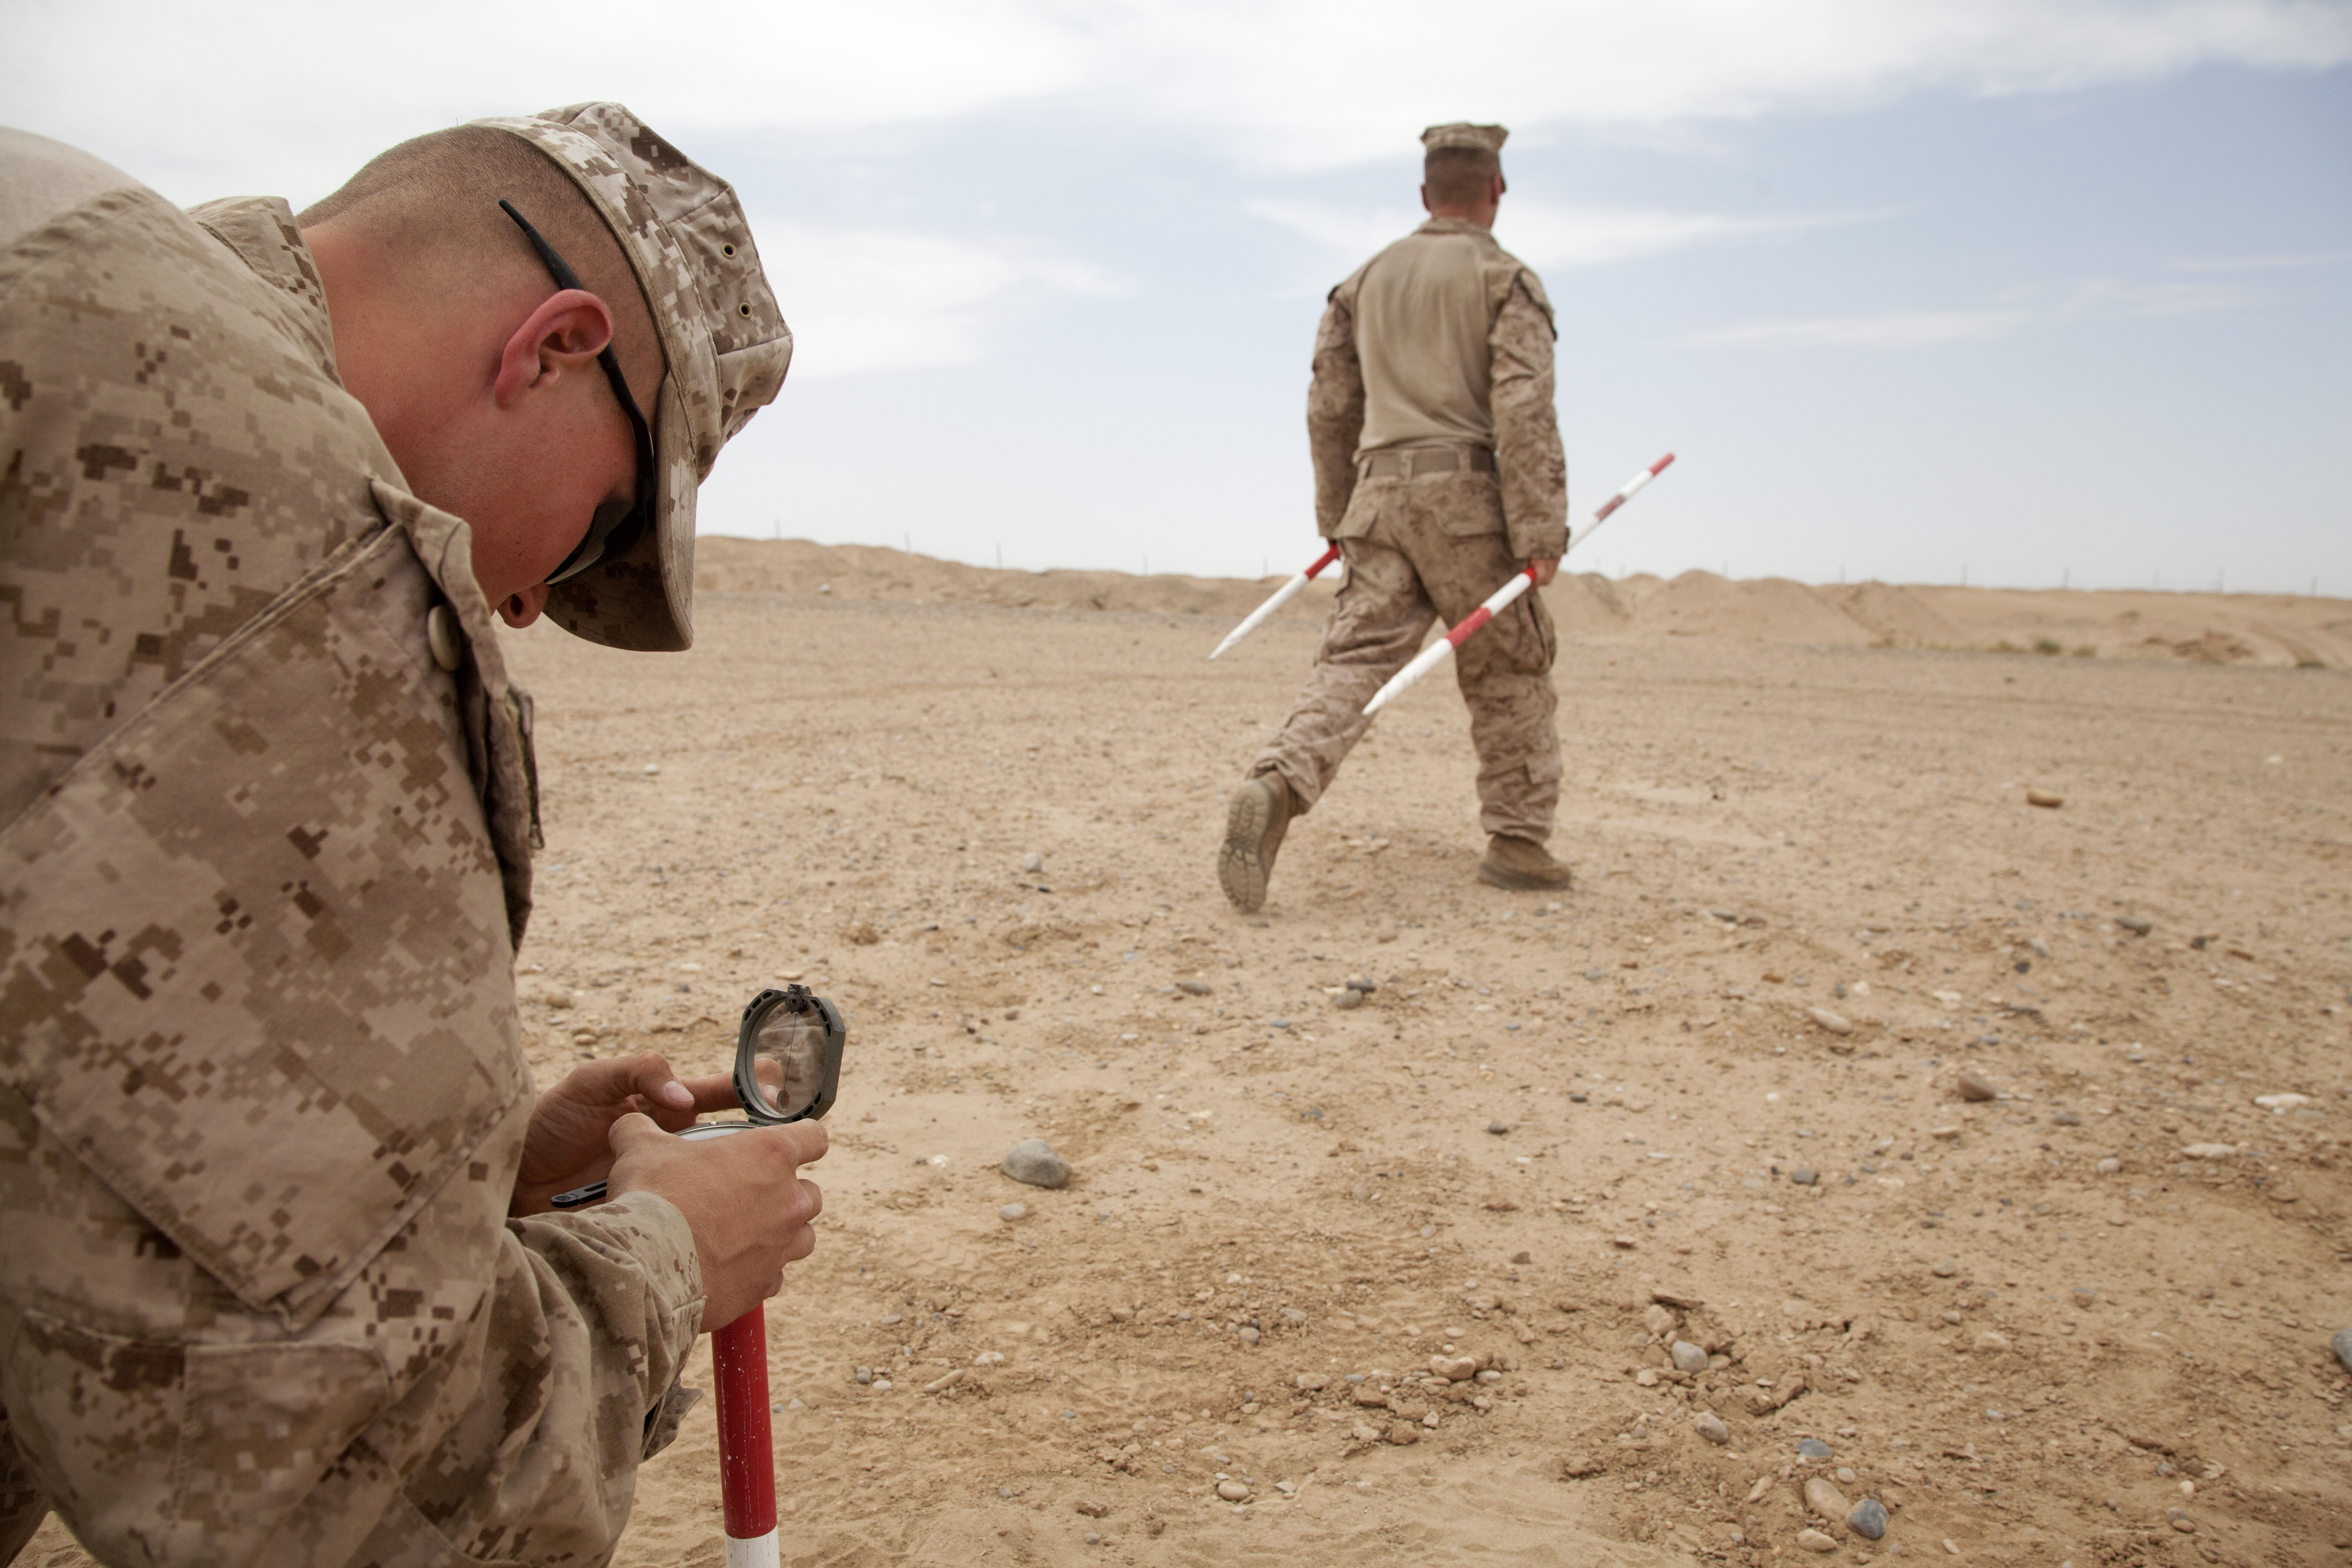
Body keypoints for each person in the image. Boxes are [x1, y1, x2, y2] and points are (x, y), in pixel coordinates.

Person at [0, 105, 825, 1565]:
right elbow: (361, 1490)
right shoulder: (277, 527)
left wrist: (457, 1174)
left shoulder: (60, 265)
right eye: (597, 535)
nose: (522, 607)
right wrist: (667, 1261)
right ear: (551, 348)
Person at [1219, 121, 1573, 912]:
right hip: (1469, 505)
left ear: (1424, 195)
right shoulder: (1505, 279)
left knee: (1352, 665)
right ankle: (1519, 842)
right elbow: (1523, 409)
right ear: (1497, 190)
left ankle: (1277, 784)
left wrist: (1335, 515)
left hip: (1377, 498)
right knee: (1509, 667)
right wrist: (1541, 532)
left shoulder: (1361, 283)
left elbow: (1330, 405)